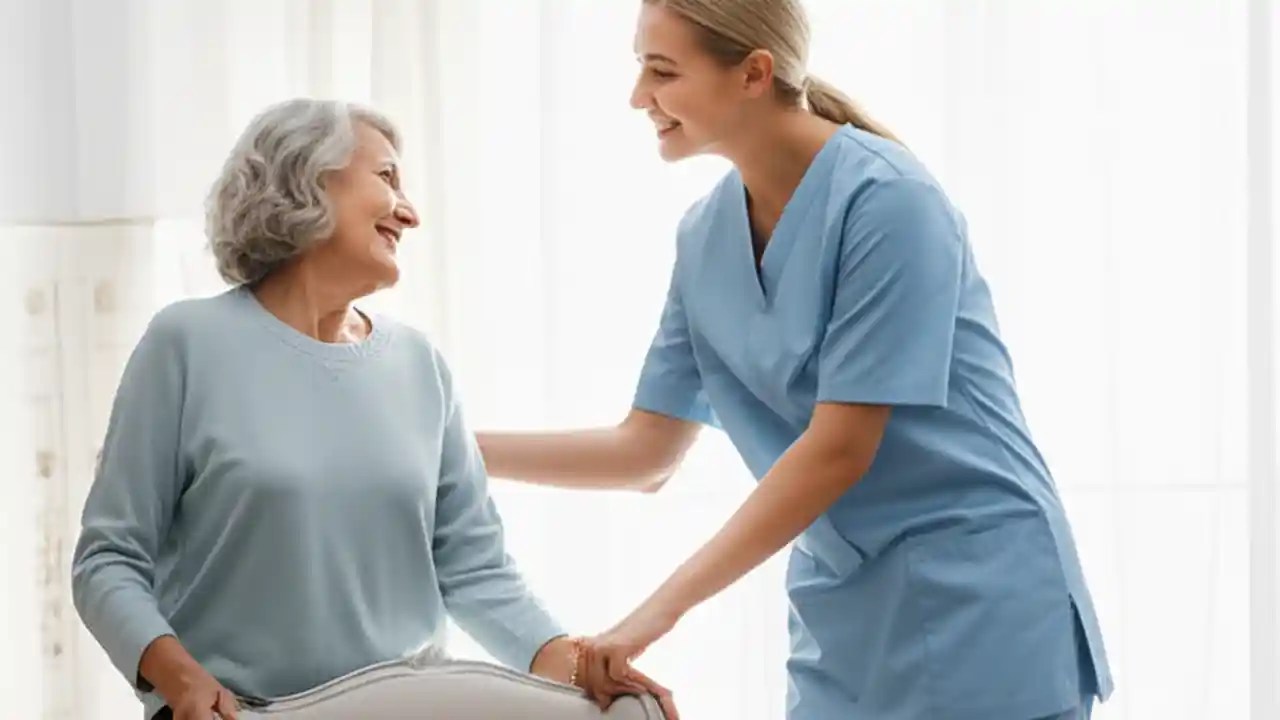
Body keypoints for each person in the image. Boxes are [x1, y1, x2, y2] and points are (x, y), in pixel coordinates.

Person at [475, 2, 1114, 719]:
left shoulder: (890, 201)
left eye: (662, 71)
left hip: (980, 601)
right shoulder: (705, 237)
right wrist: (450, 449)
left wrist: (649, 618)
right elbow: (645, 452)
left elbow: (839, 450)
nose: (637, 97)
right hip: (843, 618)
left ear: (753, 72)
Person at [71, 98, 672, 720]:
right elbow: (107, 560)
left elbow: (475, 571)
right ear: (305, 178)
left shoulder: (419, 366)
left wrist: (579, 664)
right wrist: (183, 682)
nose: (409, 213)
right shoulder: (188, 344)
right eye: (387, 178)